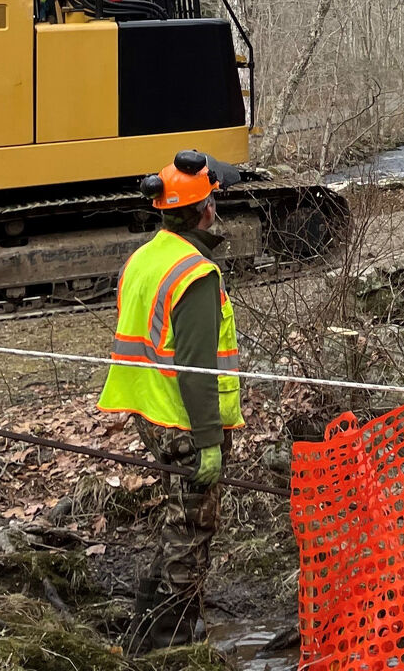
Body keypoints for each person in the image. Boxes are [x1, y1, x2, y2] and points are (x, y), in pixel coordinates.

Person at [98, 150, 245, 650]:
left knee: (178, 518)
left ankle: (150, 631)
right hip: (184, 421)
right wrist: (208, 440)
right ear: (204, 210)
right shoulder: (196, 274)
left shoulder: (144, 258)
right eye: (213, 202)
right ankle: (170, 642)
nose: (216, 210)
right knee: (192, 529)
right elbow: (196, 367)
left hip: (152, 413)